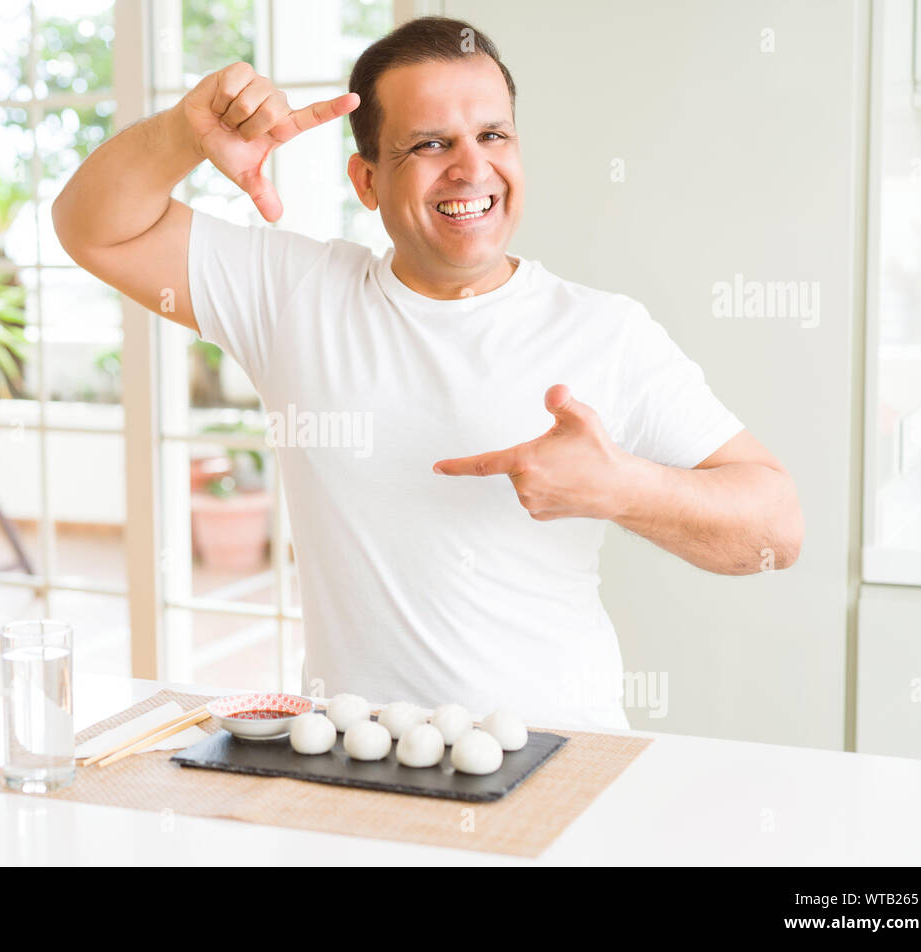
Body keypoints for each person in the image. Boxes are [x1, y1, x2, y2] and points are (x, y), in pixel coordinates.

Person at [52, 16, 804, 729]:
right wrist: (185, 134)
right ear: (366, 179)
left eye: (493, 134)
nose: (472, 168)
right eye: (430, 145)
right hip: (361, 767)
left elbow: (776, 524)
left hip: (564, 761)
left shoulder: (605, 331)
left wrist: (620, 485)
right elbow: (92, 226)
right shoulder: (295, 296)